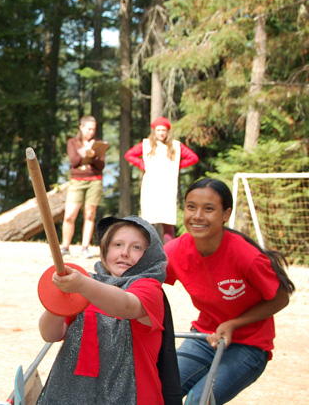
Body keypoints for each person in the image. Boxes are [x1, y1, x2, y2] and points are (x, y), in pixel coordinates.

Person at [164, 178, 294, 404]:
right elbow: (145, 282)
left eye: (209, 209)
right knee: (160, 391)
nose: (197, 216)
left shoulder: (245, 256)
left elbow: (281, 299)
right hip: (204, 337)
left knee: (198, 400)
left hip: (248, 345)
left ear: (226, 214)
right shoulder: (175, 250)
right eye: (191, 206)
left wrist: (233, 324)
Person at [36, 215, 168, 405]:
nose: (124, 253)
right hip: (72, 397)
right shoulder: (86, 284)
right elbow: (50, 334)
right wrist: (58, 300)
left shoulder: (149, 288)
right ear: (105, 250)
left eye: (137, 247)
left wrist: (82, 284)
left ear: (151, 255)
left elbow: (126, 306)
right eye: (117, 245)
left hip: (135, 398)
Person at [124, 116, 198, 243]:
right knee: (150, 219)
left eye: (163, 130)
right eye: (158, 130)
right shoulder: (147, 144)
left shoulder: (175, 146)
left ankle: (169, 250)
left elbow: (193, 157)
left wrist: (177, 166)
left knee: (167, 220)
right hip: (151, 186)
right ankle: (148, 250)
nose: (161, 133)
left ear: (167, 131)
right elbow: (129, 155)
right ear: (154, 131)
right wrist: (142, 164)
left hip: (168, 186)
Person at [61, 115, 106, 259]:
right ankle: (65, 246)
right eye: (88, 129)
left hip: (94, 180)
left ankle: (85, 247)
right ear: (81, 127)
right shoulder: (72, 142)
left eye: (93, 129)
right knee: (69, 215)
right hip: (77, 180)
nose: (91, 132)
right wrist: (86, 150)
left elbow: (101, 165)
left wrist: (93, 155)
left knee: (89, 214)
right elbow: (74, 161)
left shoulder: (98, 143)